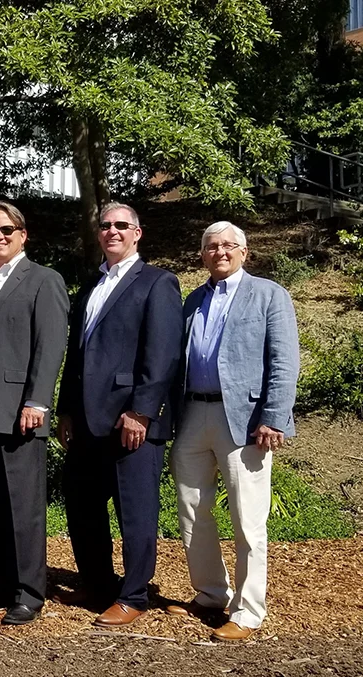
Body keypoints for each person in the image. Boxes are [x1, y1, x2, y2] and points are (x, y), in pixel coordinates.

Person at [165, 221, 299, 643]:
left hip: (243, 420)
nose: (219, 252)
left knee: (247, 518)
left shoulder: (269, 295)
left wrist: (274, 416)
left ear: (244, 252)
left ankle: (248, 609)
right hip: (192, 415)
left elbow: (284, 360)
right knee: (192, 508)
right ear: (202, 255)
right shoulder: (193, 300)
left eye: (228, 245)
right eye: (211, 247)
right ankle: (210, 593)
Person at [58, 202, 183, 628]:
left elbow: (163, 354)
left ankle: (134, 595)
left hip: (131, 420)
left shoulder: (158, 283)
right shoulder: (92, 284)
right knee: (83, 506)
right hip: (87, 419)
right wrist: (66, 409)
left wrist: (142, 411)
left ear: (137, 233)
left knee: (136, 511)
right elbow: (78, 355)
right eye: (105, 225)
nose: (112, 231)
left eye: (121, 226)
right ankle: (98, 584)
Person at [0, 202, 69, 625]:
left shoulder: (44, 280)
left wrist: (38, 401)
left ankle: (28, 592)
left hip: (20, 412)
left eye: (6, 230)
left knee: (23, 507)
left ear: (23, 234)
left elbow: (50, 344)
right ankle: (1, 583)